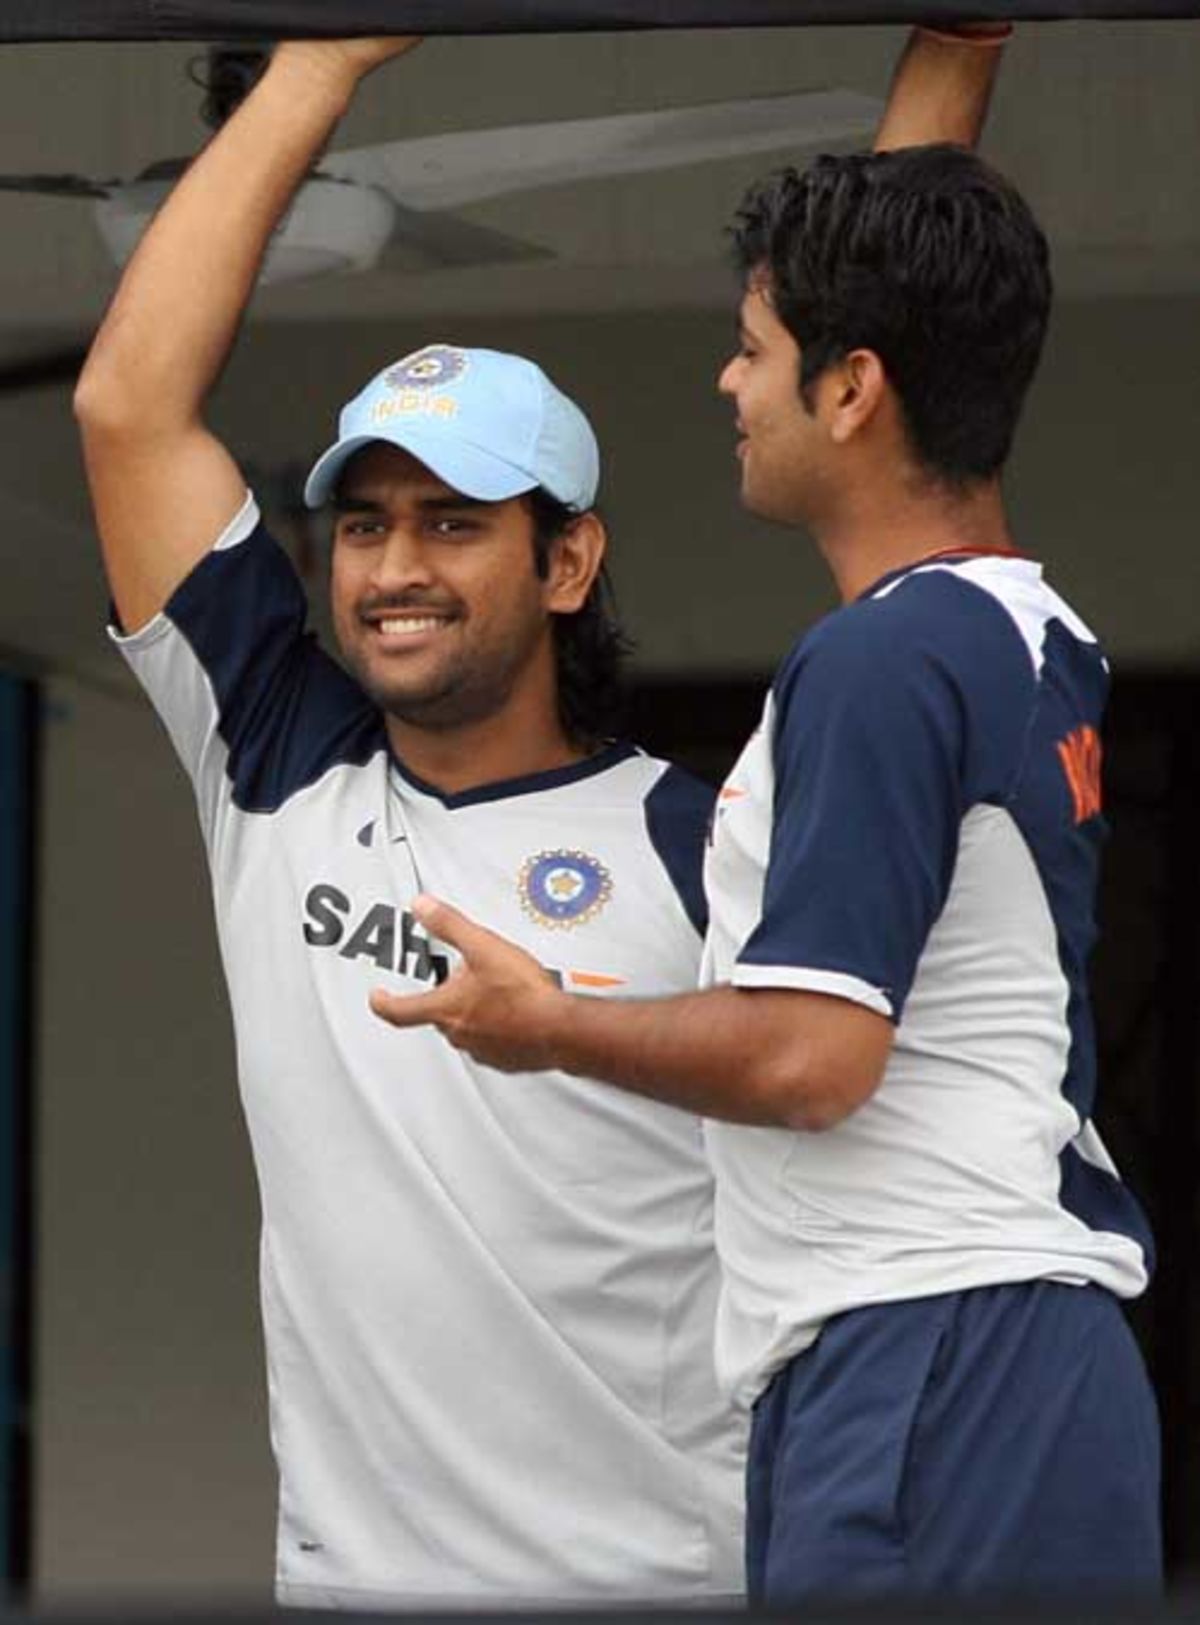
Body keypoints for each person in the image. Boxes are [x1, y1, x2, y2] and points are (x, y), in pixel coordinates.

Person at [74, 26, 1009, 1612]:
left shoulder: (695, 839)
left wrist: (960, 48)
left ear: (566, 565)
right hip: (356, 1587)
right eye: (362, 524)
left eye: (453, 520)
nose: (392, 568)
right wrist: (317, 64)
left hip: (667, 1578)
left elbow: (883, 409)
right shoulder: (276, 750)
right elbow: (126, 409)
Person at [372, 95, 1164, 1604]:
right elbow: (913, 270)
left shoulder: (882, 661)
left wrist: (546, 1025)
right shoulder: (1018, 625)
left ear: (854, 387)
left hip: (929, 1356)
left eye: (753, 346)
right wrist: (950, 67)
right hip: (990, 1354)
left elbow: (815, 1057)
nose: (728, 380)